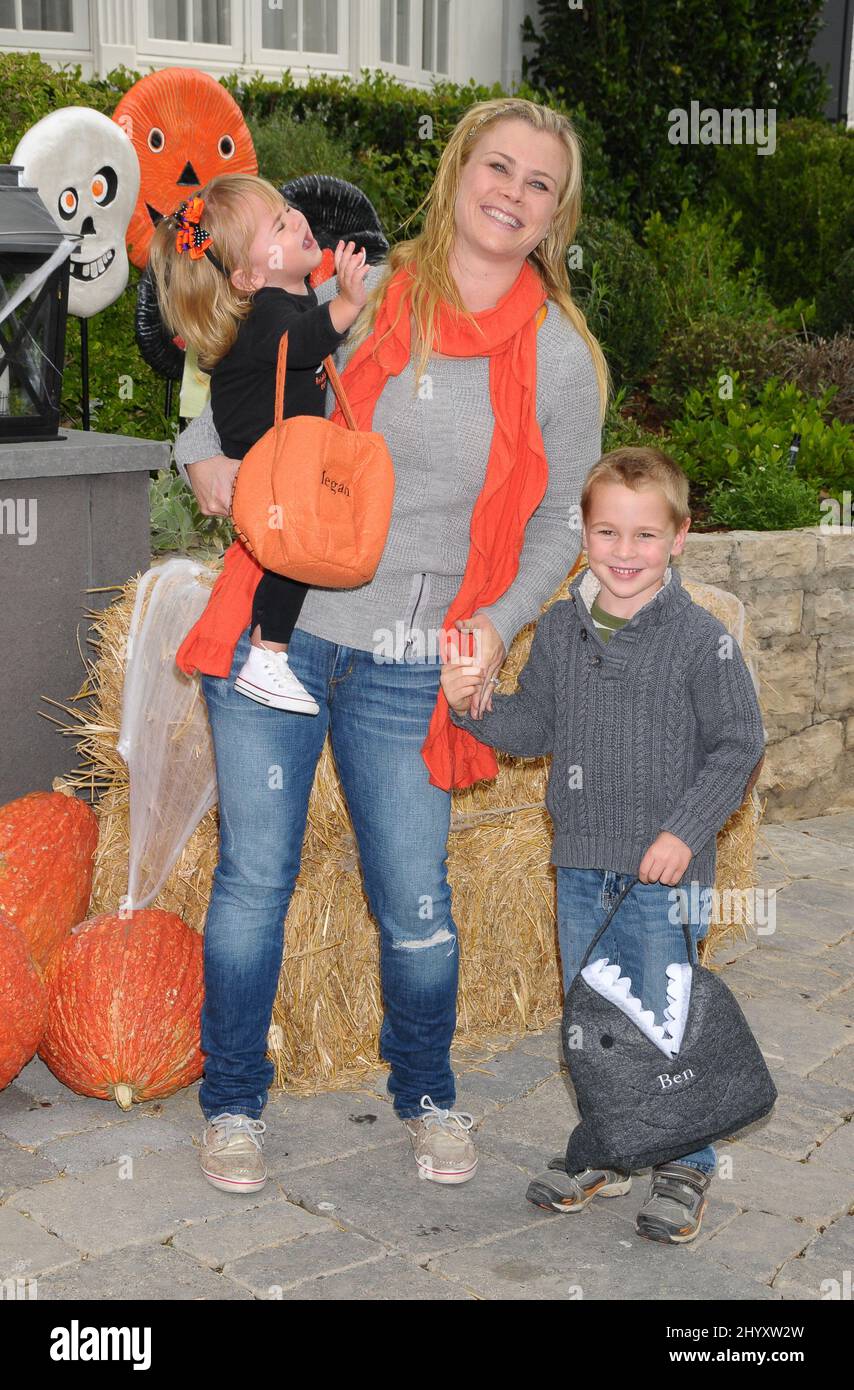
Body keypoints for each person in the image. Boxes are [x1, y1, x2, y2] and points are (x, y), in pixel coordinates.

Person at [172, 97, 607, 1195]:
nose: (509, 192)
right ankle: (232, 1104)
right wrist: (200, 462)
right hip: (285, 625)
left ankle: (426, 1092)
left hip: (416, 653)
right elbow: (225, 363)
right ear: (460, 170)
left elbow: (562, 515)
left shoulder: (557, 354)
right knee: (253, 880)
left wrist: (497, 623)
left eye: (536, 182)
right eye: (495, 167)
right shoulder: (365, 288)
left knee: (415, 897)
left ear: (556, 213)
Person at [441, 445, 766, 1244]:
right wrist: (473, 707)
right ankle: (612, 1146)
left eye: (646, 536)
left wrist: (683, 834)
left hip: (665, 873)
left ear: (680, 538)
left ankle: (687, 1160)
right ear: (584, 537)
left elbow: (739, 744)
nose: (627, 553)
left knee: (665, 1014)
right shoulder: (560, 628)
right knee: (597, 1016)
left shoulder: (699, 639)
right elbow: (536, 727)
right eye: (609, 534)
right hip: (581, 864)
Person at [149, 174, 371, 715]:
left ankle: (269, 652)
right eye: (278, 224)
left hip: (273, 459)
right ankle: (267, 655)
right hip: (268, 462)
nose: (296, 219)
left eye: (287, 210)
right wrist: (346, 303)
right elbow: (300, 345)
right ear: (249, 276)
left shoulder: (282, 298)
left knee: (291, 554)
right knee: (290, 558)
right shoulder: (271, 308)